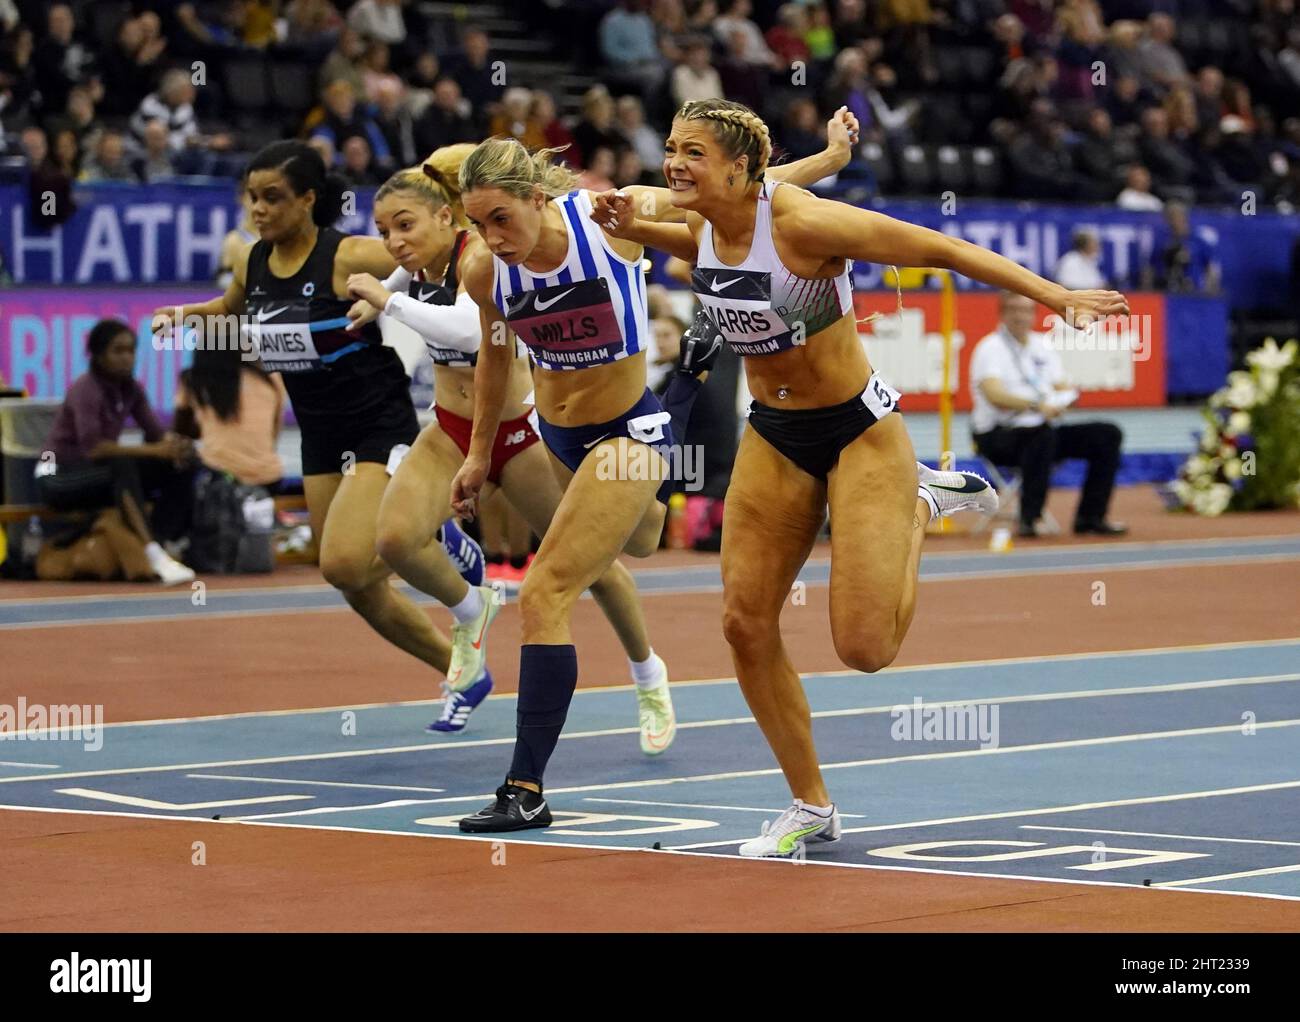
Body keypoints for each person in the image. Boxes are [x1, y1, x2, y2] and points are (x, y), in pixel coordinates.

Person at [597, 98, 1128, 857]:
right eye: (671, 148)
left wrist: (1057, 296)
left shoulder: (806, 225)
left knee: (865, 649)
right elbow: (618, 212)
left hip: (859, 432)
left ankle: (914, 498)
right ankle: (810, 805)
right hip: (775, 434)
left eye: (693, 153)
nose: (673, 164)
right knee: (744, 624)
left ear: (742, 168)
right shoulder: (692, 218)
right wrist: (606, 213)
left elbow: (939, 248)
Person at [447, 119, 862, 833]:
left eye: (501, 218)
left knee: (545, 590)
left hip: (628, 435)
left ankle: (526, 788)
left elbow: (753, 196)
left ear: (538, 199)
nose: (492, 237)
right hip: (560, 436)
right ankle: (650, 653)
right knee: (633, 547)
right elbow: (492, 358)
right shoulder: (485, 270)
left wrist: (830, 157)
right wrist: (480, 452)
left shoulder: (611, 220)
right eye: (478, 223)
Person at [344, 144, 676, 740]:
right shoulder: (426, 261)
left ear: (444, 214)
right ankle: (473, 608)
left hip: (524, 430)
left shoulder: (491, 251)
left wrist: (386, 302)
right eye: (385, 230)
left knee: (610, 558)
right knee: (392, 540)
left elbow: (471, 332)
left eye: (405, 225)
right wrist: (384, 291)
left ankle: (648, 672)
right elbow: (470, 331)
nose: (394, 241)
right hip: (457, 426)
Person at [151, 141, 477, 700]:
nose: (259, 209)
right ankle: (459, 668)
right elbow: (231, 306)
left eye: (273, 198)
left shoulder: (347, 255)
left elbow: (427, 253)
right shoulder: (252, 260)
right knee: (349, 579)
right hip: (319, 433)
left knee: (349, 560)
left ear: (307, 199)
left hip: (378, 420)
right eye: (252, 197)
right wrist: (184, 315)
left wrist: (403, 295)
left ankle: (433, 536)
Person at [37, 319, 196, 585]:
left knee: (181, 464)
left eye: (131, 350)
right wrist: (155, 450)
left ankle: (166, 542)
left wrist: (175, 446)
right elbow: (95, 448)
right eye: (118, 351)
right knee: (121, 465)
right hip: (57, 476)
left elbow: (157, 434)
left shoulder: (131, 389)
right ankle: (151, 551)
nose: (127, 358)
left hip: (97, 474)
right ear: (99, 355)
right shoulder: (86, 389)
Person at [969, 291, 1127, 538]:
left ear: (1034, 314)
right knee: (1041, 436)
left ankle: (1090, 517)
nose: (1021, 316)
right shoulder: (990, 348)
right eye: (1015, 310)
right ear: (1003, 313)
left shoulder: (1042, 345)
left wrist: (1066, 399)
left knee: (1107, 434)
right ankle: (1029, 518)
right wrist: (1036, 405)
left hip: (1042, 429)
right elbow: (994, 395)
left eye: (1027, 310)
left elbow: (1061, 385)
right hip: (998, 435)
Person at [173, 345, 285, 487]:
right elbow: (273, 435)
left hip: (218, 478)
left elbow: (181, 432)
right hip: (269, 477)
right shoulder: (272, 378)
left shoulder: (193, 379)